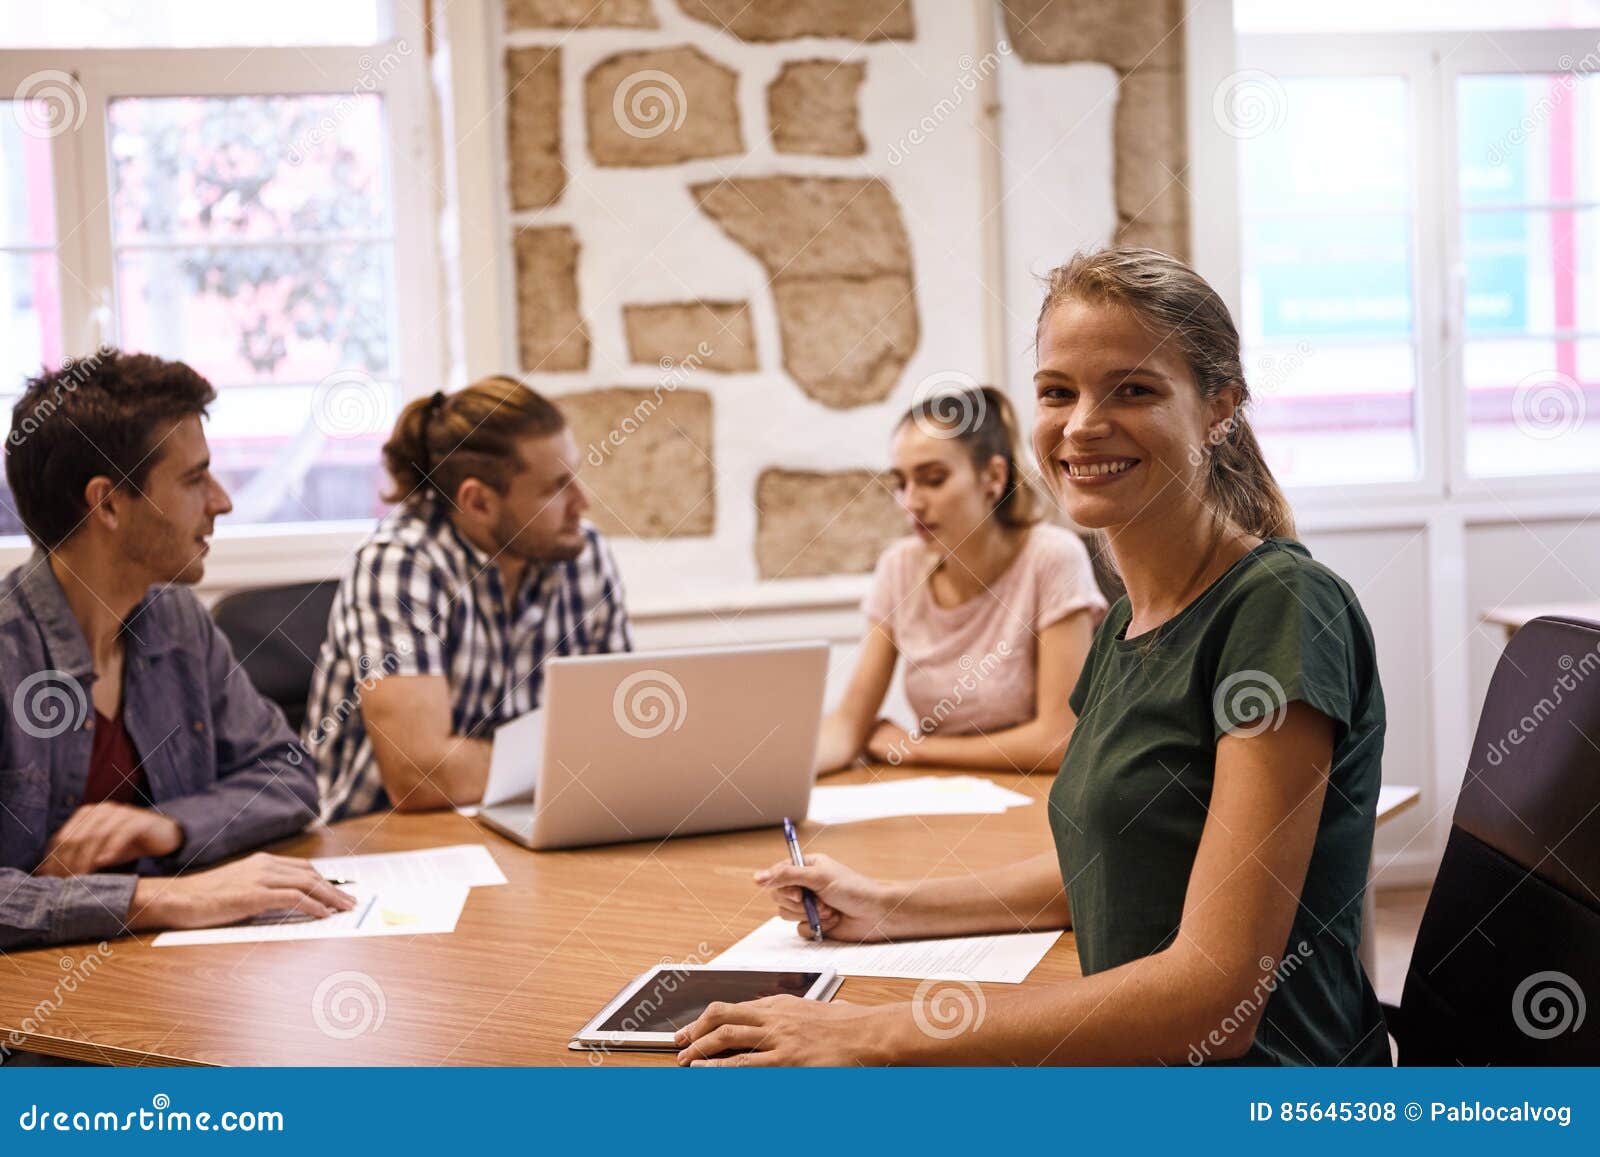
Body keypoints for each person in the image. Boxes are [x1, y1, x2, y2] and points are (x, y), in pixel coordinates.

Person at [674, 247, 1391, 1066]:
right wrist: (885, 905)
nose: (1082, 423)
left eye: (1135, 389)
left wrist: (874, 1034)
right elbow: (1101, 865)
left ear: (1220, 407)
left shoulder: (1281, 609)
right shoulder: (1129, 620)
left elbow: (1210, 998)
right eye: (1058, 391)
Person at [0, 351, 348, 953]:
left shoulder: (179, 621)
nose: (222, 501)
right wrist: (169, 899)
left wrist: (169, 828)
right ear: (107, 503)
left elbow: (290, 778)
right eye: (194, 479)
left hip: (173, 983)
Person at [308, 376, 631, 820]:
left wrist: (604, 753)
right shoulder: (400, 564)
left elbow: (622, 733)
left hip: (526, 825)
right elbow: (420, 777)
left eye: (576, 475)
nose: (583, 502)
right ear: (478, 502)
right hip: (382, 849)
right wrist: (579, 758)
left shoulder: (580, 552)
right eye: (555, 487)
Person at [813, 385, 1105, 775]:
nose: (911, 503)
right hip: (942, 800)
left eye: (933, 479)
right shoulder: (899, 568)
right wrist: (773, 777)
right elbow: (849, 725)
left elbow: (1057, 741)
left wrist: (917, 749)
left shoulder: (1052, 557)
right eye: (902, 483)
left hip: (1035, 801)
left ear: (993, 477)